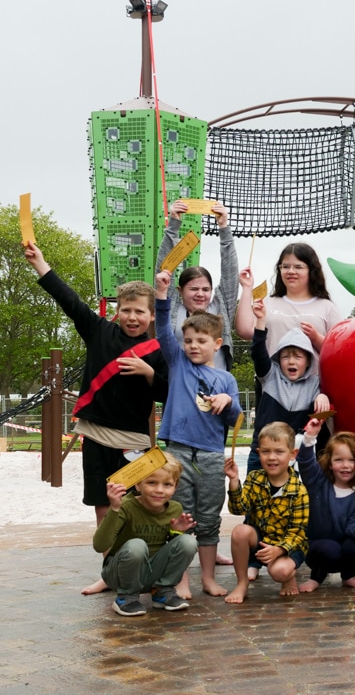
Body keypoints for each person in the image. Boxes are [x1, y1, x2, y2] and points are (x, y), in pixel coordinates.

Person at [24, 240, 169, 596]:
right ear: (116, 311)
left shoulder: (156, 351)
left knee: (140, 508)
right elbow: (68, 300)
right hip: (95, 436)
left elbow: (167, 392)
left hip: (134, 443)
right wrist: (41, 263)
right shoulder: (98, 331)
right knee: (104, 507)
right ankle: (109, 571)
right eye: (126, 310)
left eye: (140, 312)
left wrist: (147, 373)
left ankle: (142, 570)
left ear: (151, 316)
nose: (132, 317)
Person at [154, 270, 243, 597]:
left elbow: (236, 419)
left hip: (209, 454)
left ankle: (207, 578)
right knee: (180, 513)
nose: (193, 346)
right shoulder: (177, 362)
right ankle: (181, 580)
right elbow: (163, 330)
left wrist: (228, 402)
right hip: (177, 450)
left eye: (201, 341)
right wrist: (162, 296)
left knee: (207, 517)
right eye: (189, 340)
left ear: (216, 344)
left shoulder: (227, 381)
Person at [93, 451, 199, 616]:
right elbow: (99, 545)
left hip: (151, 572)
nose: (159, 490)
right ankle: (125, 597)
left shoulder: (175, 508)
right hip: (119, 574)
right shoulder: (126, 506)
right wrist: (114, 508)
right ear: (138, 485)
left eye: (167, 484)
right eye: (151, 482)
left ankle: (162, 591)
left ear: (175, 487)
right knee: (137, 545)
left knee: (188, 541)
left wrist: (176, 532)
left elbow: (168, 548)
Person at [223, 422, 309, 603]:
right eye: (265, 451)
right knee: (240, 531)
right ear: (258, 452)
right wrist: (233, 481)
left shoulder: (299, 491)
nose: (271, 457)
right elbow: (239, 509)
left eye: (279, 452)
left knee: (280, 571)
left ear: (293, 454)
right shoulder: (255, 478)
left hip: (287, 545)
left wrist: (279, 550)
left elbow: (298, 533)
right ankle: (242, 583)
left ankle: (289, 577)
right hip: (261, 540)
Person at [245, 294, 331, 473]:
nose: (291, 362)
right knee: (256, 496)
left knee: (291, 499)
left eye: (298, 356)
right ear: (278, 359)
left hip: (294, 455)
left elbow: (324, 409)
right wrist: (260, 321)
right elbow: (258, 354)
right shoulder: (270, 375)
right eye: (286, 356)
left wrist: (323, 396)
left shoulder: (315, 384)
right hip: (263, 451)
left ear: (308, 361)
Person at [155, 200, 239, 371]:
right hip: (181, 387)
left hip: (216, 390)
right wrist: (173, 224)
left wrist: (223, 227)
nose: (200, 294)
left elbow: (230, 274)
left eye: (206, 289)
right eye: (193, 289)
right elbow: (163, 270)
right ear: (180, 291)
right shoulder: (173, 308)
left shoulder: (219, 308)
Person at [297, 422, 355, 590]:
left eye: (352, 460)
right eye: (339, 460)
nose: (346, 465)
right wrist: (310, 437)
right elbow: (305, 463)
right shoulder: (318, 482)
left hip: (343, 549)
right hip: (318, 547)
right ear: (330, 463)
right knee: (329, 548)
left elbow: (352, 527)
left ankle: (348, 576)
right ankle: (316, 577)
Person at [235, 243, 343, 356]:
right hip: (271, 373)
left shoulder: (327, 307)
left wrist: (316, 338)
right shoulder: (267, 304)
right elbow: (244, 331)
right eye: (285, 266)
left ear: (311, 270)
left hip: (313, 374)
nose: (291, 271)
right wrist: (247, 288)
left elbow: (339, 351)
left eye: (298, 267)